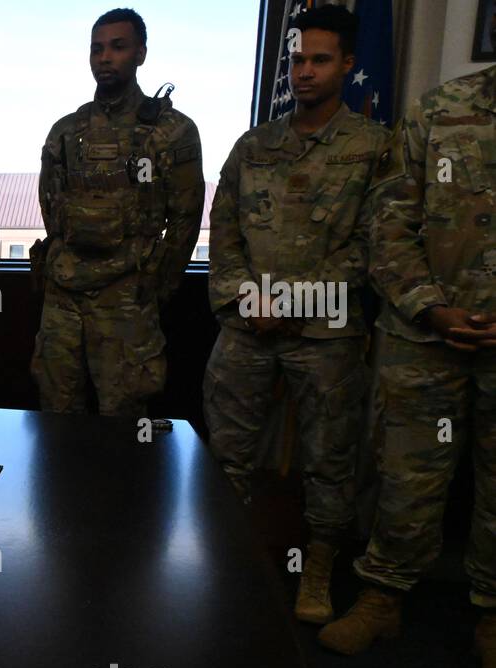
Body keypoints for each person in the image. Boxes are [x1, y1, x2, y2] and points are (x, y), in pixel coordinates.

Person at [202, 4, 388, 625]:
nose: (305, 71)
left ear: (348, 65)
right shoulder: (254, 145)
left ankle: (318, 570)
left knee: (331, 459)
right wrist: (245, 297)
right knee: (225, 452)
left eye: (320, 60)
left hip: (326, 331)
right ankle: (227, 561)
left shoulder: (373, 149)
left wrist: (290, 302)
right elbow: (222, 230)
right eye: (297, 60)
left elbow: (373, 246)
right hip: (246, 325)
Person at [318, 61, 496, 668]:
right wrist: (431, 305)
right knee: (405, 475)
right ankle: (382, 597)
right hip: (426, 337)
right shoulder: (438, 111)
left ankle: (492, 618)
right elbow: (387, 223)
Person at [32, 7, 204, 416]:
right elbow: (50, 208)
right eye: (96, 49)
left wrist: (153, 287)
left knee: (124, 422)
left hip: (127, 299)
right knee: (56, 417)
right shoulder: (65, 131)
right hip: (63, 299)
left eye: (118, 47)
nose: (104, 58)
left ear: (141, 53)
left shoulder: (172, 130)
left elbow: (185, 220)